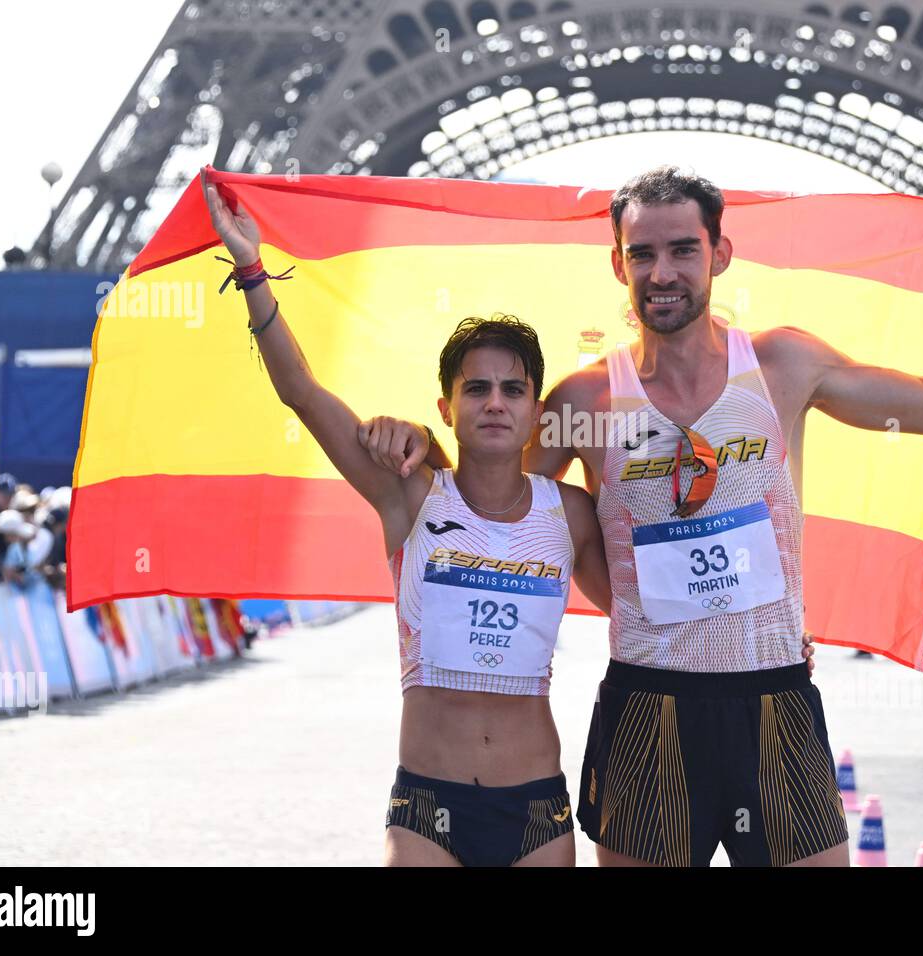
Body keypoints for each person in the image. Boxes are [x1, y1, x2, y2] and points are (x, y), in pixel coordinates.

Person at [358, 165, 923, 866]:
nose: (663, 272)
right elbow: (494, 512)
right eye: (643, 254)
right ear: (618, 264)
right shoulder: (585, 403)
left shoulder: (782, 365)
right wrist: (422, 444)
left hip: (773, 697)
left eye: (683, 249)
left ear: (719, 254)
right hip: (648, 709)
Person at [201, 169, 615, 867]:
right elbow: (303, 392)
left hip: (538, 808)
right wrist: (251, 269)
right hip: (428, 807)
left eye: (513, 389)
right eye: (475, 388)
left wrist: (768, 638)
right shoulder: (411, 497)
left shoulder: (571, 513)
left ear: (536, 414)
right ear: (447, 407)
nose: (494, 402)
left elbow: (643, 602)